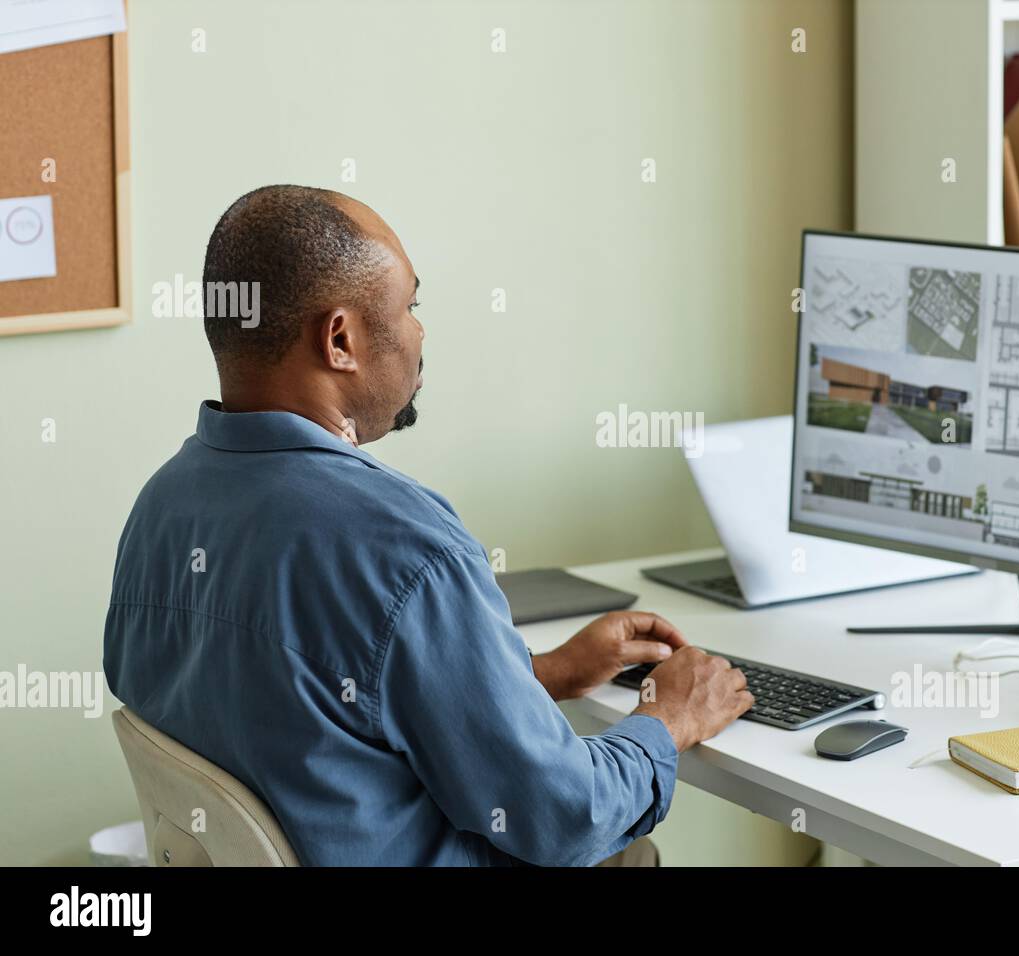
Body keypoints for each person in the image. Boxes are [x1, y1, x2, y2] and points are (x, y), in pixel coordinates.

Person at [103, 185, 753, 866]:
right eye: (410, 305)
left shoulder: (159, 509)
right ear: (341, 339)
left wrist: (538, 675)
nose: (419, 332)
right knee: (628, 853)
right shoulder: (406, 547)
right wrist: (667, 719)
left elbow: (309, 713)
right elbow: (565, 817)